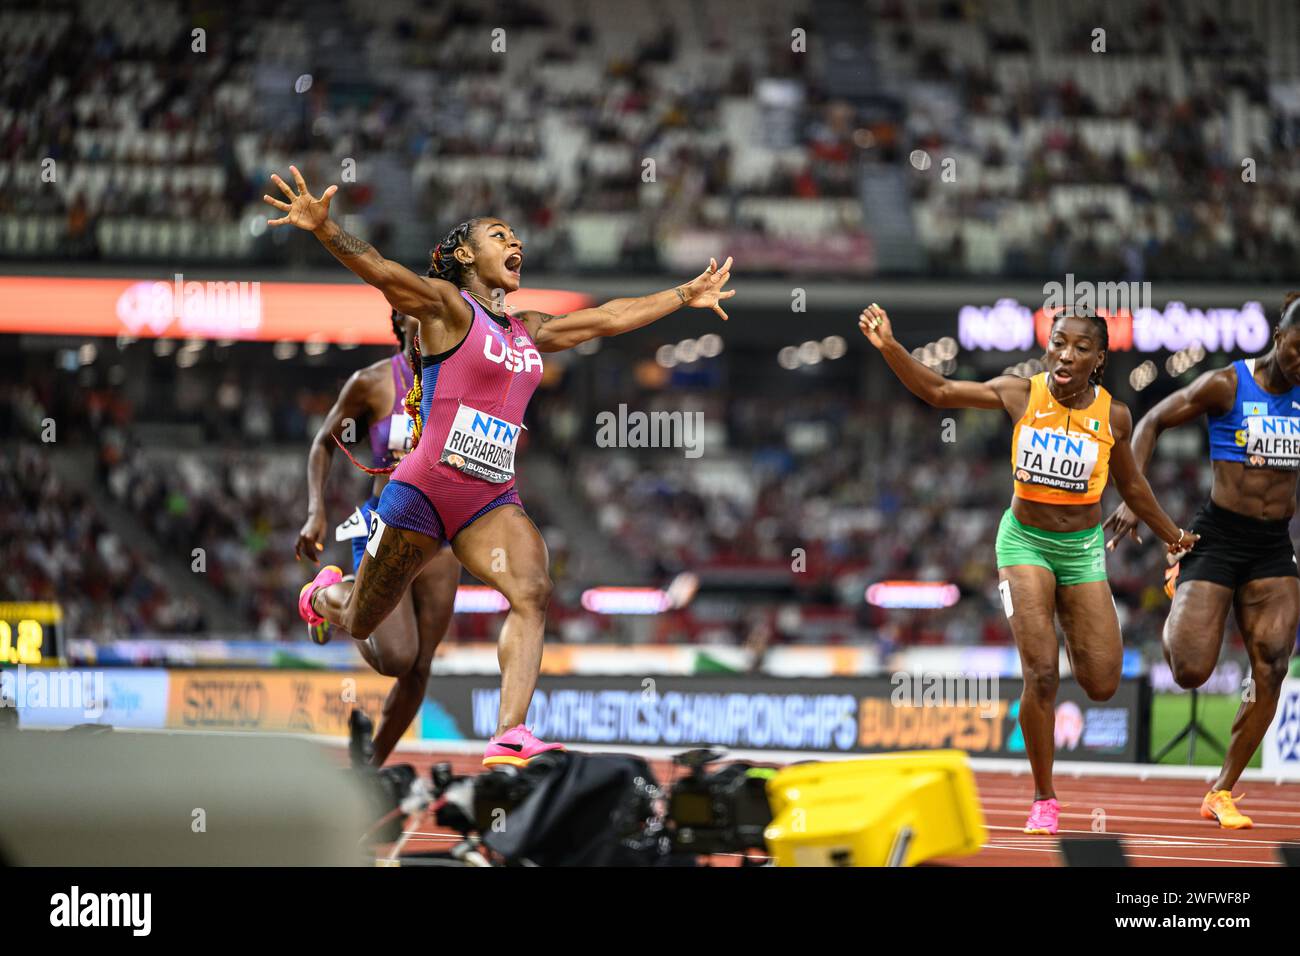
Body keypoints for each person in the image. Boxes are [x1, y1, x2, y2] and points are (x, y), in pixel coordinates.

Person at [263, 165, 735, 767]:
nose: (516, 243)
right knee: (361, 623)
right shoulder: (444, 308)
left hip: (489, 499)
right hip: (423, 491)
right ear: (464, 254)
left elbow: (609, 318)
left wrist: (682, 295)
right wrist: (327, 231)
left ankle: (509, 732)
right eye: (500, 234)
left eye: (516, 236)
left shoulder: (527, 328)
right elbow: (380, 270)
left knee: (533, 589)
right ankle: (323, 595)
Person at [858, 302, 1196, 835]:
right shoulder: (1021, 391)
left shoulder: (1114, 416)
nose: (1065, 353)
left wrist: (1175, 536)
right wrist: (891, 347)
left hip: (1082, 549)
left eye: (1081, 347)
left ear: (1099, 360)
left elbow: (1131, 487)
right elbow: (938, 392)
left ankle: (1076, 626)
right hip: (1024, 544)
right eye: (1059, 342)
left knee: (1104, 682)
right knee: (1041, 672)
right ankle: (1045, 797)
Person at [1104, 293, 1300, 829]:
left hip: (1273, 547)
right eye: (1299, 349)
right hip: (1215, 537)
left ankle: (1222, 790)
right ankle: (1180, 576)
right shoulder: (1227, 385)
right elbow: (1149, 423)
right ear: (1279, 337)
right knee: (1190, 669)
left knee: (1274, 665)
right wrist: (1132, 494)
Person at [294, 308, 462, 767]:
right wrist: (315, 512)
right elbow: (323, 444)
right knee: (396, 658)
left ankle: (367, 771)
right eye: (416, 329)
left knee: (420, 670)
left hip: (443, 538)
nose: (426, 337)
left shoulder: (458, 379)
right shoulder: (371, 383)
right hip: (385, 524)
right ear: (399, 329)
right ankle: (325, 595)